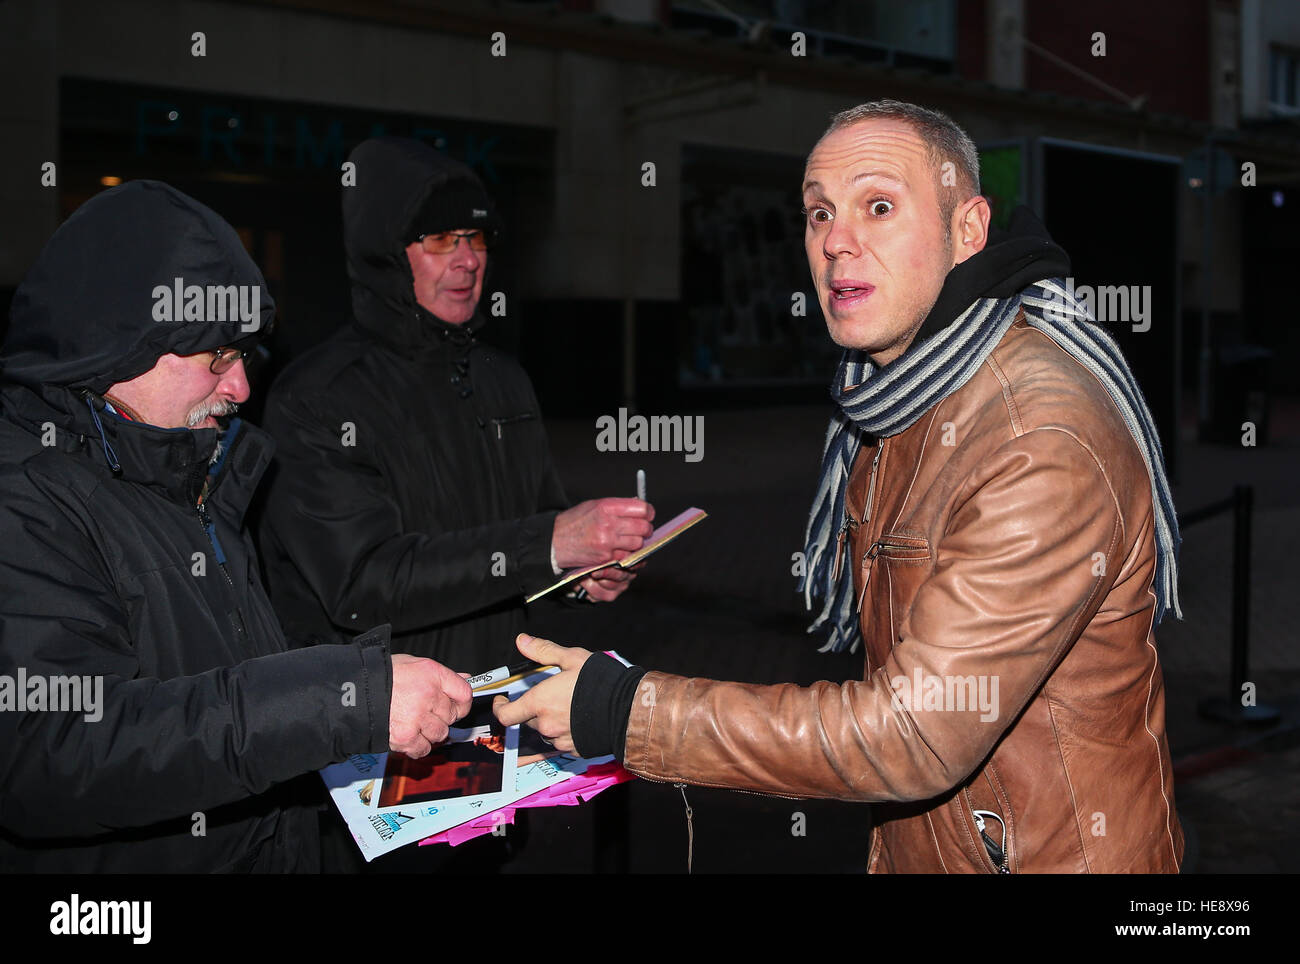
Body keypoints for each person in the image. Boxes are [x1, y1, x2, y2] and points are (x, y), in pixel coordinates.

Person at [494, 100, 1186, 874]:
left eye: (878, 206)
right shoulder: (895, 396)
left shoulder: (1036, 438)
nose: (835, 241)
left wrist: (624, 710)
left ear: (970, 230)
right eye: (818, 212)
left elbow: (915, 734)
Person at [0, 180, 472, 872]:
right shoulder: (26, 497)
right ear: (119, 346)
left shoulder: (193, 468)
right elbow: (55, 751)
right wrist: (342, 700)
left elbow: (217, 677)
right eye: (215, 356)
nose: (242, 387)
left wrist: (367, 692)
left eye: (246, 355)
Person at [256, 137, 654, 679]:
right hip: (378, 728)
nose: (468, 260)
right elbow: (362, 585)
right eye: (441, 239)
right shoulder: (317, 398)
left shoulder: (503, 378)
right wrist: (551, 542)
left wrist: (578, 572)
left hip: (500, 706)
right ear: (388, 256)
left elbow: (529, 539)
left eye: (477, 237)